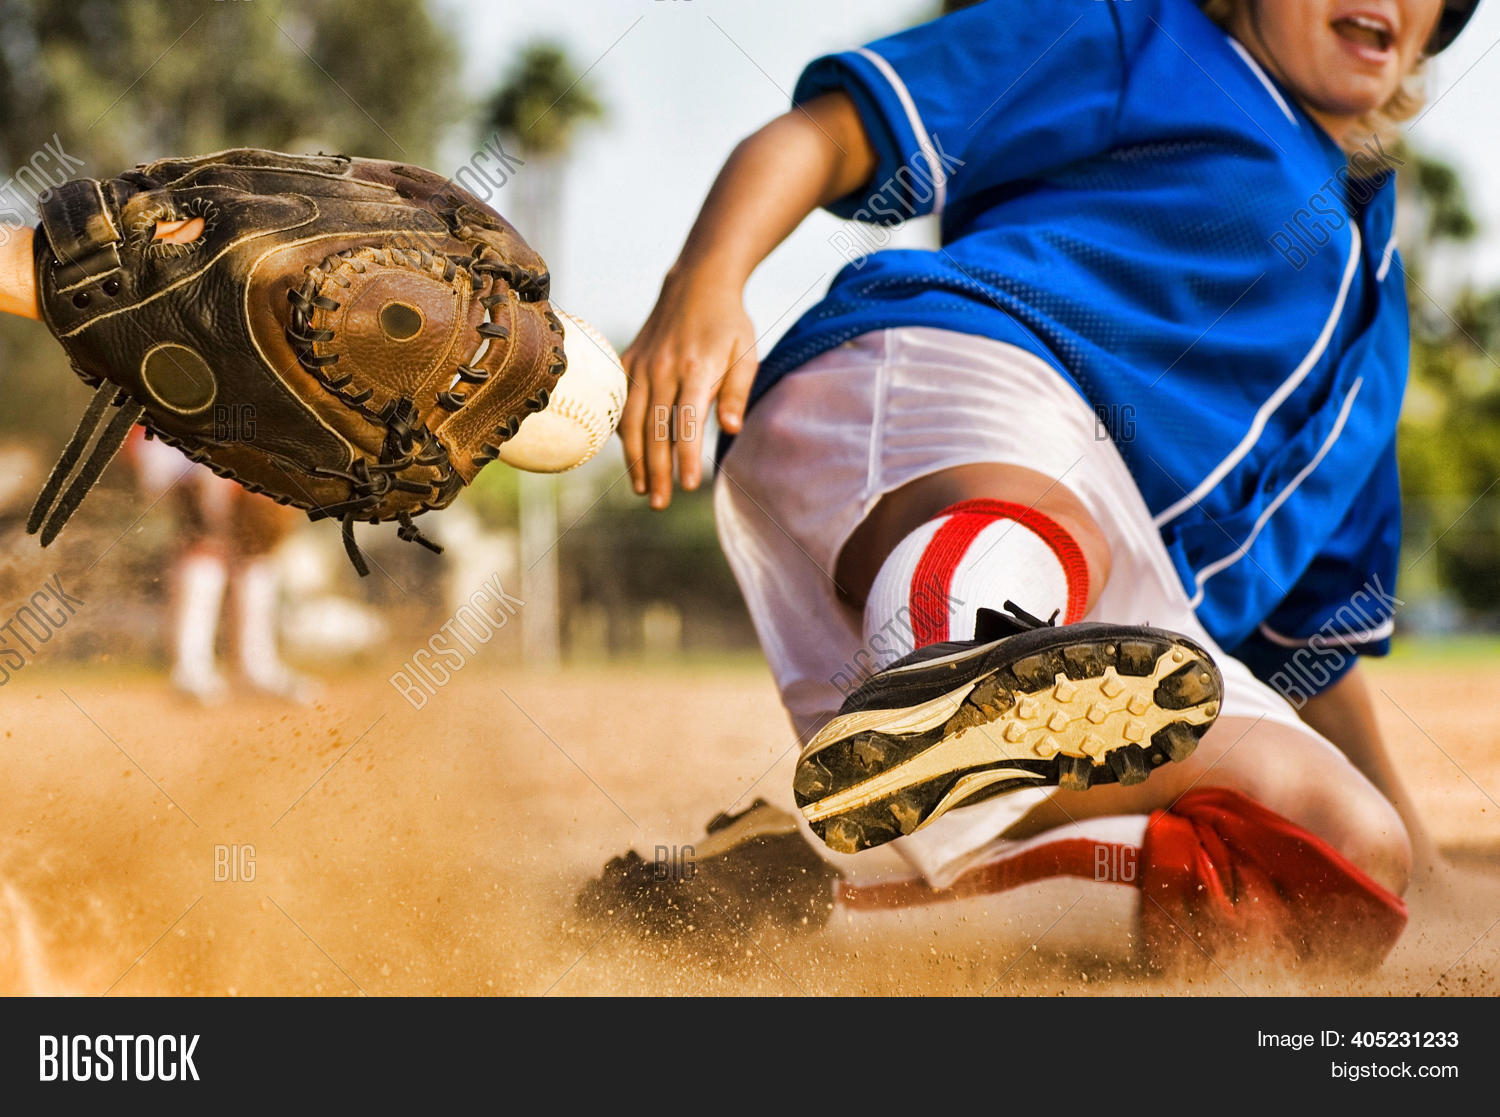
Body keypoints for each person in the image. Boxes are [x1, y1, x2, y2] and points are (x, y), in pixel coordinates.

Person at [585, 0, 1481, 971]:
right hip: (953, 380)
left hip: (1134, 615)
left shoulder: (1378, 326)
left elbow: (1310, 650)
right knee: (1046, 537)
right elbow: (830, 133)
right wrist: (708, 277)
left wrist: (1417, 858)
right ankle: (975, 656)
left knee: (1337, 853)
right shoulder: (1144, 36)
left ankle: (789, 893)